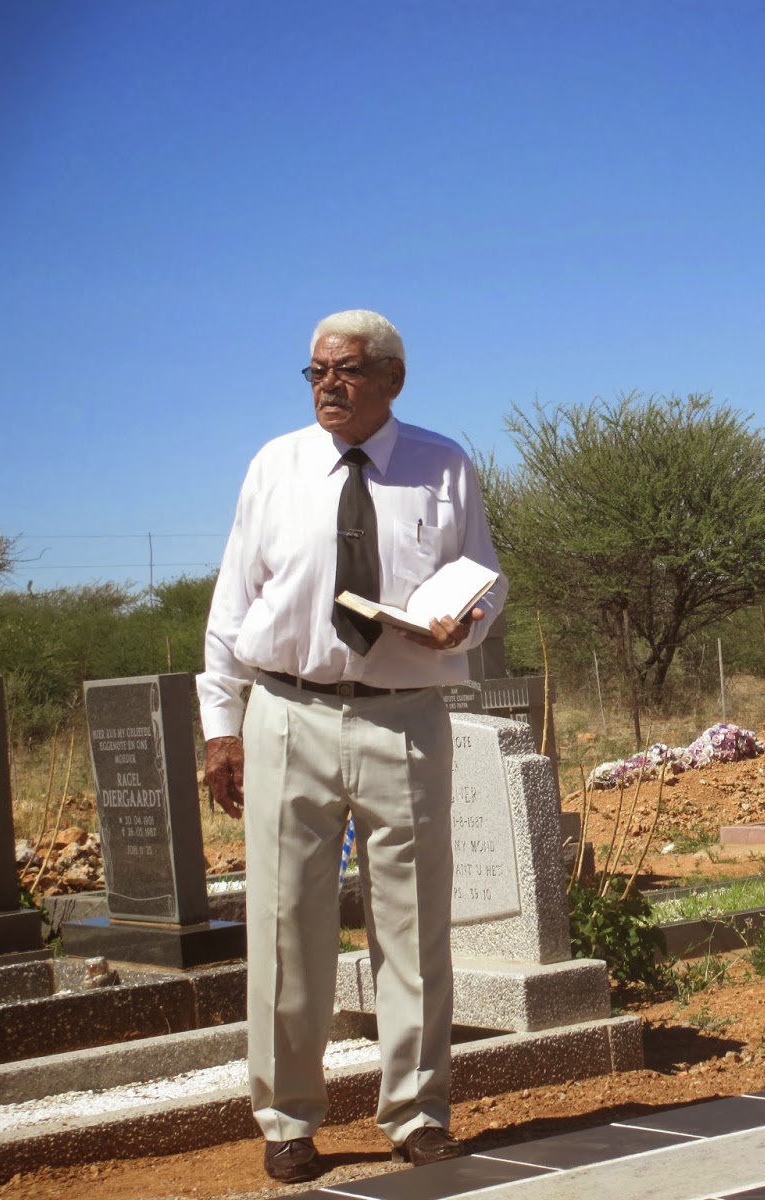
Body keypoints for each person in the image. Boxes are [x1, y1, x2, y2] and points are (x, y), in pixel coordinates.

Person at [198, 309, 507, 1184]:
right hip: (287, 711)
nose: (328, 385)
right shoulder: (275, 465)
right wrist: (222, 724)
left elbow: (485, 574)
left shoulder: (444, 465)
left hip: (405, 714)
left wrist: (468, 621)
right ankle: (288, 1117)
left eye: (348, 370)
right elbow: (232, 602)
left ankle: (416, 1112)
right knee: (287, 924)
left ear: (393, 379)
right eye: (315, 372)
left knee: (412, 925)